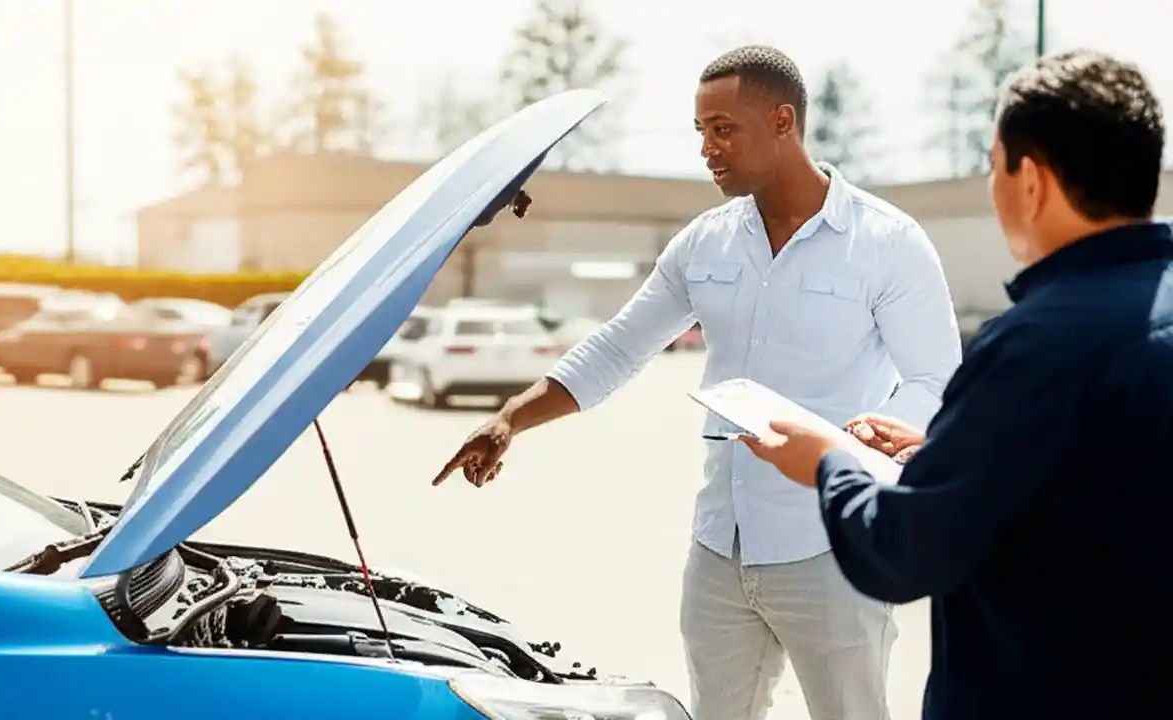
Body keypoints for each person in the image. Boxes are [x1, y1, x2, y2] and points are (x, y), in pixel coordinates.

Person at [432, 45, 962, 720]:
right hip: (720, 549)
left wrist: (862, 439)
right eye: (701, 132)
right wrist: (511, 417)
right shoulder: (704, 243)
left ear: (782, 121)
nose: (708, 149)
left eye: (723, 129)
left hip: (831, 547)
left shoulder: (888, 243)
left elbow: (935, 378)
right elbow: (619, 346)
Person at [741, 49, 1173, 719]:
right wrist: (947, 455)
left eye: (994, 166)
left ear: (1031, 180)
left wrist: (829, 464)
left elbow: (905, 553)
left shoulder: (1035, 345)